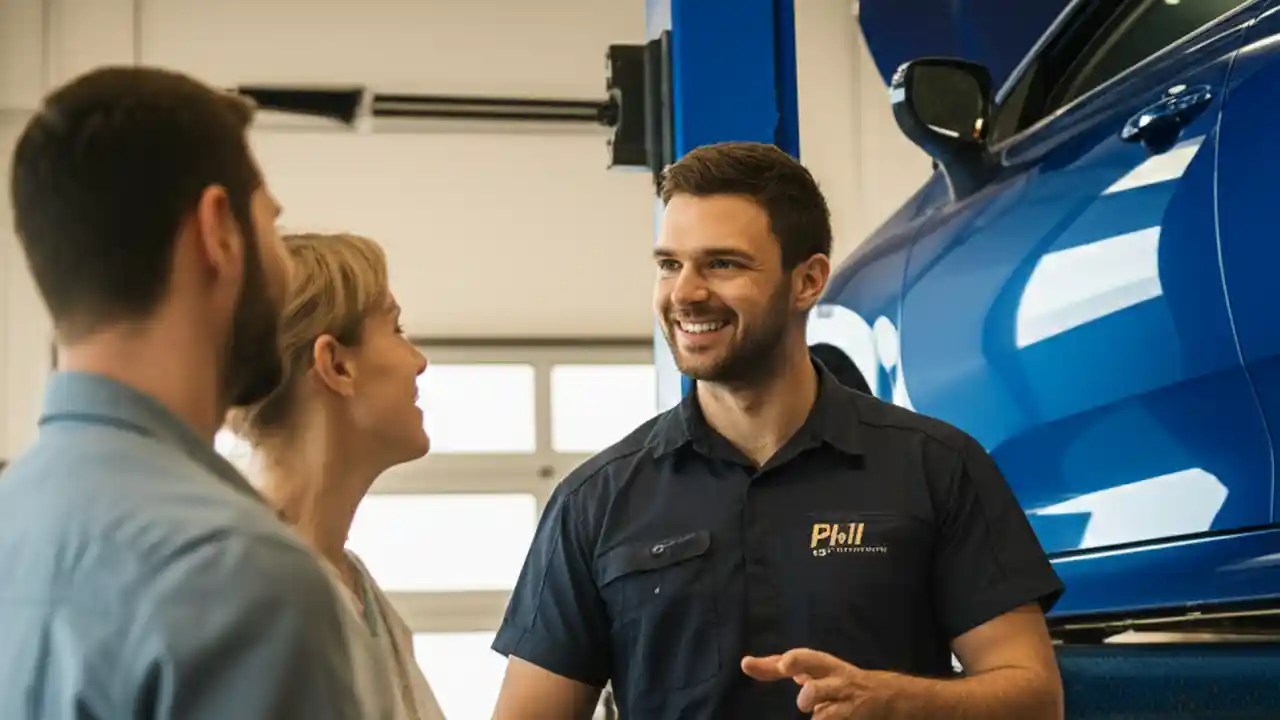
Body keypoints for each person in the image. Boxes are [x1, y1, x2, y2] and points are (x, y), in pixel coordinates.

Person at [491, 141, 1065, 719]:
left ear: (808, 281)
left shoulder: (937, 467)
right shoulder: (596, 501)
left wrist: (896, 702)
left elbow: (1036, 700)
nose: (685, 293)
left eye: (722, 264)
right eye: (670, 264)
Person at [0, 67, 361, 719]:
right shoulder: (240, 575)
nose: (282, 262)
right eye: (271, 228)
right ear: (218, 231)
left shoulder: (15, 524)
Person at [225, 232, 445, 720]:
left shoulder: (359, 595)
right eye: (396, 329)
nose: (419, 361)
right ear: (336, 364)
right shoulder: (240, 593)